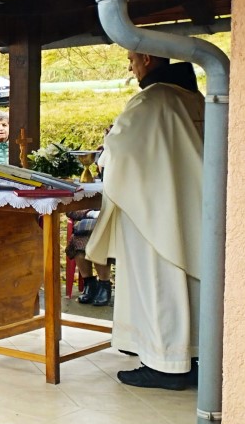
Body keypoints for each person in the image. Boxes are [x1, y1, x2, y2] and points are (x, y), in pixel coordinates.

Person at [86, 53, 203, 390]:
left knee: (159, 285)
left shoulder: (153, 100)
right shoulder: (194, 99)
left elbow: (119, 152)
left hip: (154, 212)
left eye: (131, 59)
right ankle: (192, 357)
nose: (129, 67)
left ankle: (166, 364)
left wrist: (108, 144)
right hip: (192, 207)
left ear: (147, 58)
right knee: (190, 289)